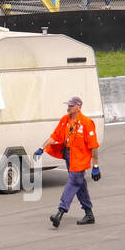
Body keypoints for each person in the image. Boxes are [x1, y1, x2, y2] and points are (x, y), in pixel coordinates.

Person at [33, 95, 100, 227]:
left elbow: (94, 147)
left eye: (71, 105)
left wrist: (95, 166)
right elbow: (54, 136)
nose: (68, 107)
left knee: (74, 181)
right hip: (69, 156)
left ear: (78, 107)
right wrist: (41, 148)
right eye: (68, 105)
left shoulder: (87, 123)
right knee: (80, 184)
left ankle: (60, 212)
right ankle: (89, 214)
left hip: (80, 159)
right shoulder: (65, 120)